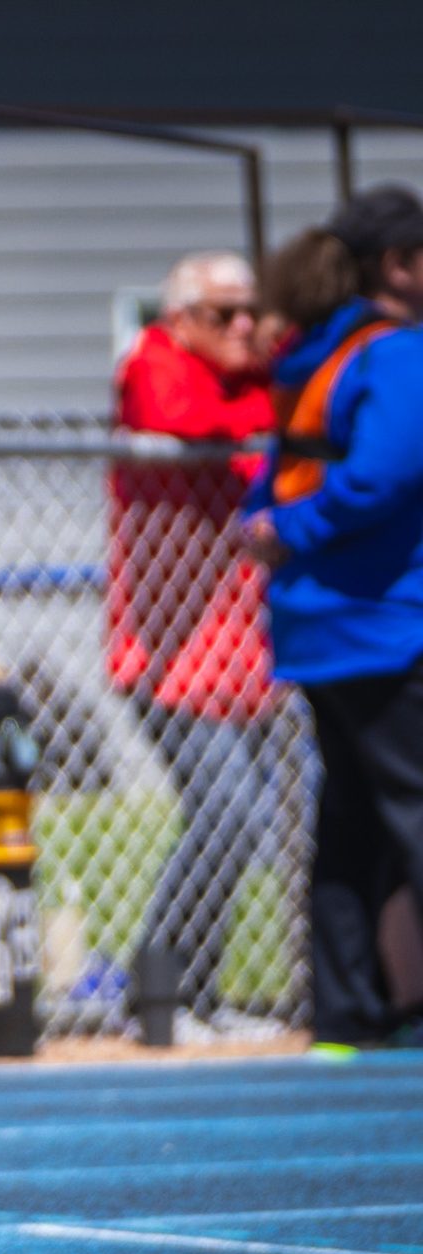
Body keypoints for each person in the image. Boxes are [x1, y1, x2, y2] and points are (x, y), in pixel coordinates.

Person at [241, 185, 423, 1054]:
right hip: (386, 621)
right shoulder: (397, 352)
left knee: (353, 817)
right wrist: (299, 526)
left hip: (319, 623)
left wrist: (274, 525)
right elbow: (386, 472)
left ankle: (347, 1014)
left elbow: (277, 473)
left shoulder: (318, 353)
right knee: (409, 807)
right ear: (399, 266)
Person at [107, 252, 288, 1039]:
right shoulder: (153, 361)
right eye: (223, 314)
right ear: (180, 319)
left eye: (252, 311)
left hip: (247, 655)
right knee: (228, 811)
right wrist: (258, 415)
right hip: (167, 656)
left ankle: (199, 994)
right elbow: (177, 415)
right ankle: (156, 995)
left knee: (256, 821)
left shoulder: (249, 379)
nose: (244, 326)